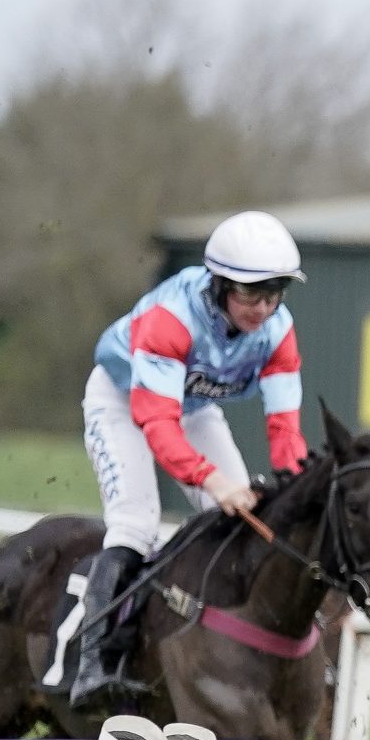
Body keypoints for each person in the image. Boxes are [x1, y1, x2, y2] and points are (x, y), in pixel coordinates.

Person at [70, 209, 312, 709]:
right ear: (219, 284)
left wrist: (296, 487)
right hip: (122, 400)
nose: (263, 308)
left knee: (245, 521)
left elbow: (285, 429)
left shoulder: (278, 331)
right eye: (251, 293)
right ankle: (94, 660)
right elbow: (157, 422)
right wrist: (211, 480)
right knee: (136, 523)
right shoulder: (171, 318)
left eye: (274, 294)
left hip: (194, 409)